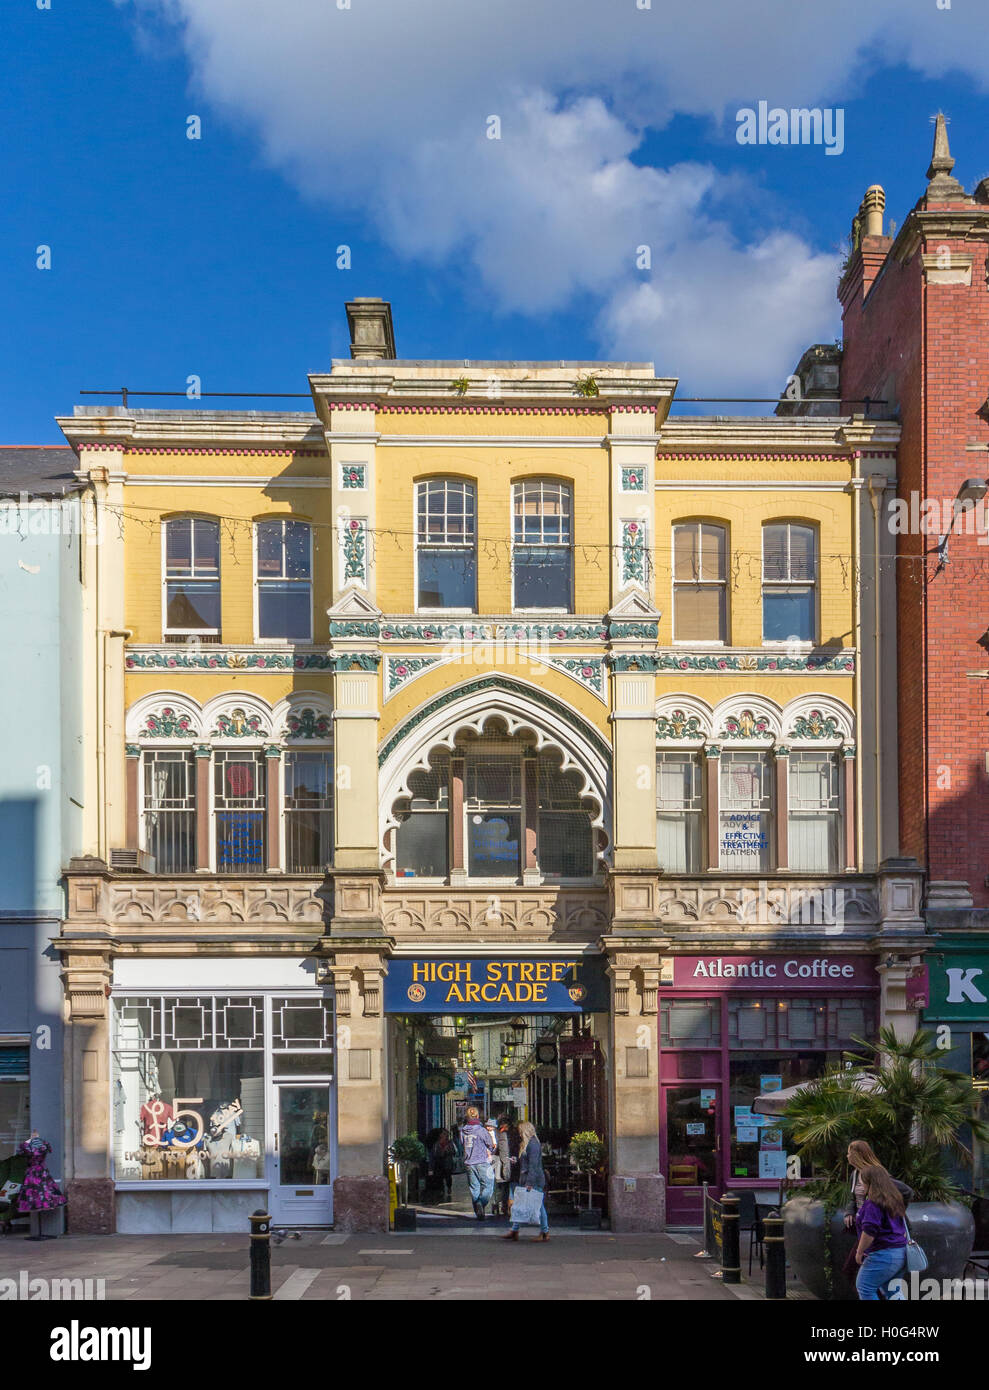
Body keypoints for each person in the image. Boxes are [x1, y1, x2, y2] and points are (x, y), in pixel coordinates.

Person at [854, 1163, 908, 1300]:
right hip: (900, 1252)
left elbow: (869, 1231)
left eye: (862, 1182)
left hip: (883, 1254)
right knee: (893, 1291)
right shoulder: (893, 1200)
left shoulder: (873, 1203)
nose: (860, 1186)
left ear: (870, 1183)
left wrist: (859, 1252)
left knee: (865, 1287)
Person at [843, 1140, 913, 1229]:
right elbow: (853, 1198)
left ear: (857, 1155)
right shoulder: (855, 1174)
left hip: (881, 1227)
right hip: (865, 1224)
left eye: (849, 1153)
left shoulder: (875, 1173)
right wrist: (849, 1212)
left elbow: (907, 1191)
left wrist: (895, 1212)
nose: (847, 1156)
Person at [503, 1120, 549, 1241]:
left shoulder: (532, 1144)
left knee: (538, 1206)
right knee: (521, 1204)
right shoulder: (530, 1143)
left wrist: (529, 1183)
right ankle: (515, 1229)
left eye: (520, 1131)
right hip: (529, 1179)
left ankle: (544, 1232)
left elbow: (533, 1166)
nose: (519, 1134)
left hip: (533, 1180)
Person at [460, 1106, 496, 1220]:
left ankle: (478, 1212)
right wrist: (491, 1150)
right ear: (478, 1116)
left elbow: (462, 1144)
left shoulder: (462, 1131)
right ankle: (481, 1203)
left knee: (474, 1187)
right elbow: (490, 1144)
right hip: (482, 1161)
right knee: (489, 1185)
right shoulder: (481, 1130)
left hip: (469, 1163)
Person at [491, 1118, 513, 1217]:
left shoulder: (499, 1134)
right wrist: (506, 1168)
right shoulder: (504, 1135)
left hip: (499, 1163)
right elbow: (504, 1154)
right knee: (504, 1186)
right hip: (502, 1164)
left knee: (501, 1187)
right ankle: (502, 1205)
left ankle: (499, 1205)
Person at [429, 1128, 457, 1202]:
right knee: (439, 1177)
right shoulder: (436, 1143)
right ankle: (441, 1190)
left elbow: (454, 1151)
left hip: (448, 1163)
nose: (444, 1135)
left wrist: (447, 1151)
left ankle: (449, 1187)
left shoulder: (450, 1143)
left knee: (448, 1177)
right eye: (443, 1134)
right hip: (439, 1163)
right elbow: (434, 1154)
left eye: (445, 1134)